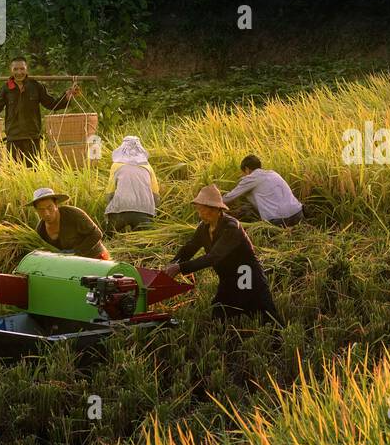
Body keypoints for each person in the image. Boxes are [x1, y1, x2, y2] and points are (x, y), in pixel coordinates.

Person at [164, 185, 282, 325]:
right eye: (198, 209)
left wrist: (180, 268)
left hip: (246, 275)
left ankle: (280, 338)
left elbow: (214, 257)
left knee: (264, 314)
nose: (200, 214)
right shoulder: (204, 227)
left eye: (203, 210)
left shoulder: (232, 227)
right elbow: (191, 247)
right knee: (219, 314)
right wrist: (173, 263)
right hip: (228, 278)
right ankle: (228, 341)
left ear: (215, 209)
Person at [0, 57, 81, 166]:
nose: (19, 72)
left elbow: (52, 104)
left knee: (34, 174)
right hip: (13, 138)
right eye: (16, 69)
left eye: (22, 69)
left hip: (32, 138)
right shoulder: (6, 88)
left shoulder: (36, 86)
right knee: (14, 173)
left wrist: (67, 96)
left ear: (26, 69)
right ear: (11, 70)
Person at [221, 155, 304, 228]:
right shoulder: (273, 173)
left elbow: (229, 198)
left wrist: (213, 203)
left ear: (247, 169)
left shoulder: (251, 178)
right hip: (298, 214)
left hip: (280, 220)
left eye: (243, 173)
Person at [29, 187, 109, 260]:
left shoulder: (73, 214)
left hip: (96, 258)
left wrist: (77, 252)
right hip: (70, 263)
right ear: (36, 211)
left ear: (56, 205)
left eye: (49, 207)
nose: (46, 213)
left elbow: (97, 234)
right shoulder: (41, 230)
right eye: (41, 210)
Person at [104, 136, 159, 233]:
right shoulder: (147, 166)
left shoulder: (116, 165)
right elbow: (155, 193)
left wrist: (109, 207)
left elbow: (110, 191)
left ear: (122, 148)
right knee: (144, 243)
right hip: (144, 211)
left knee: (107, 237)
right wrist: (153, 211)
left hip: (120, 210)